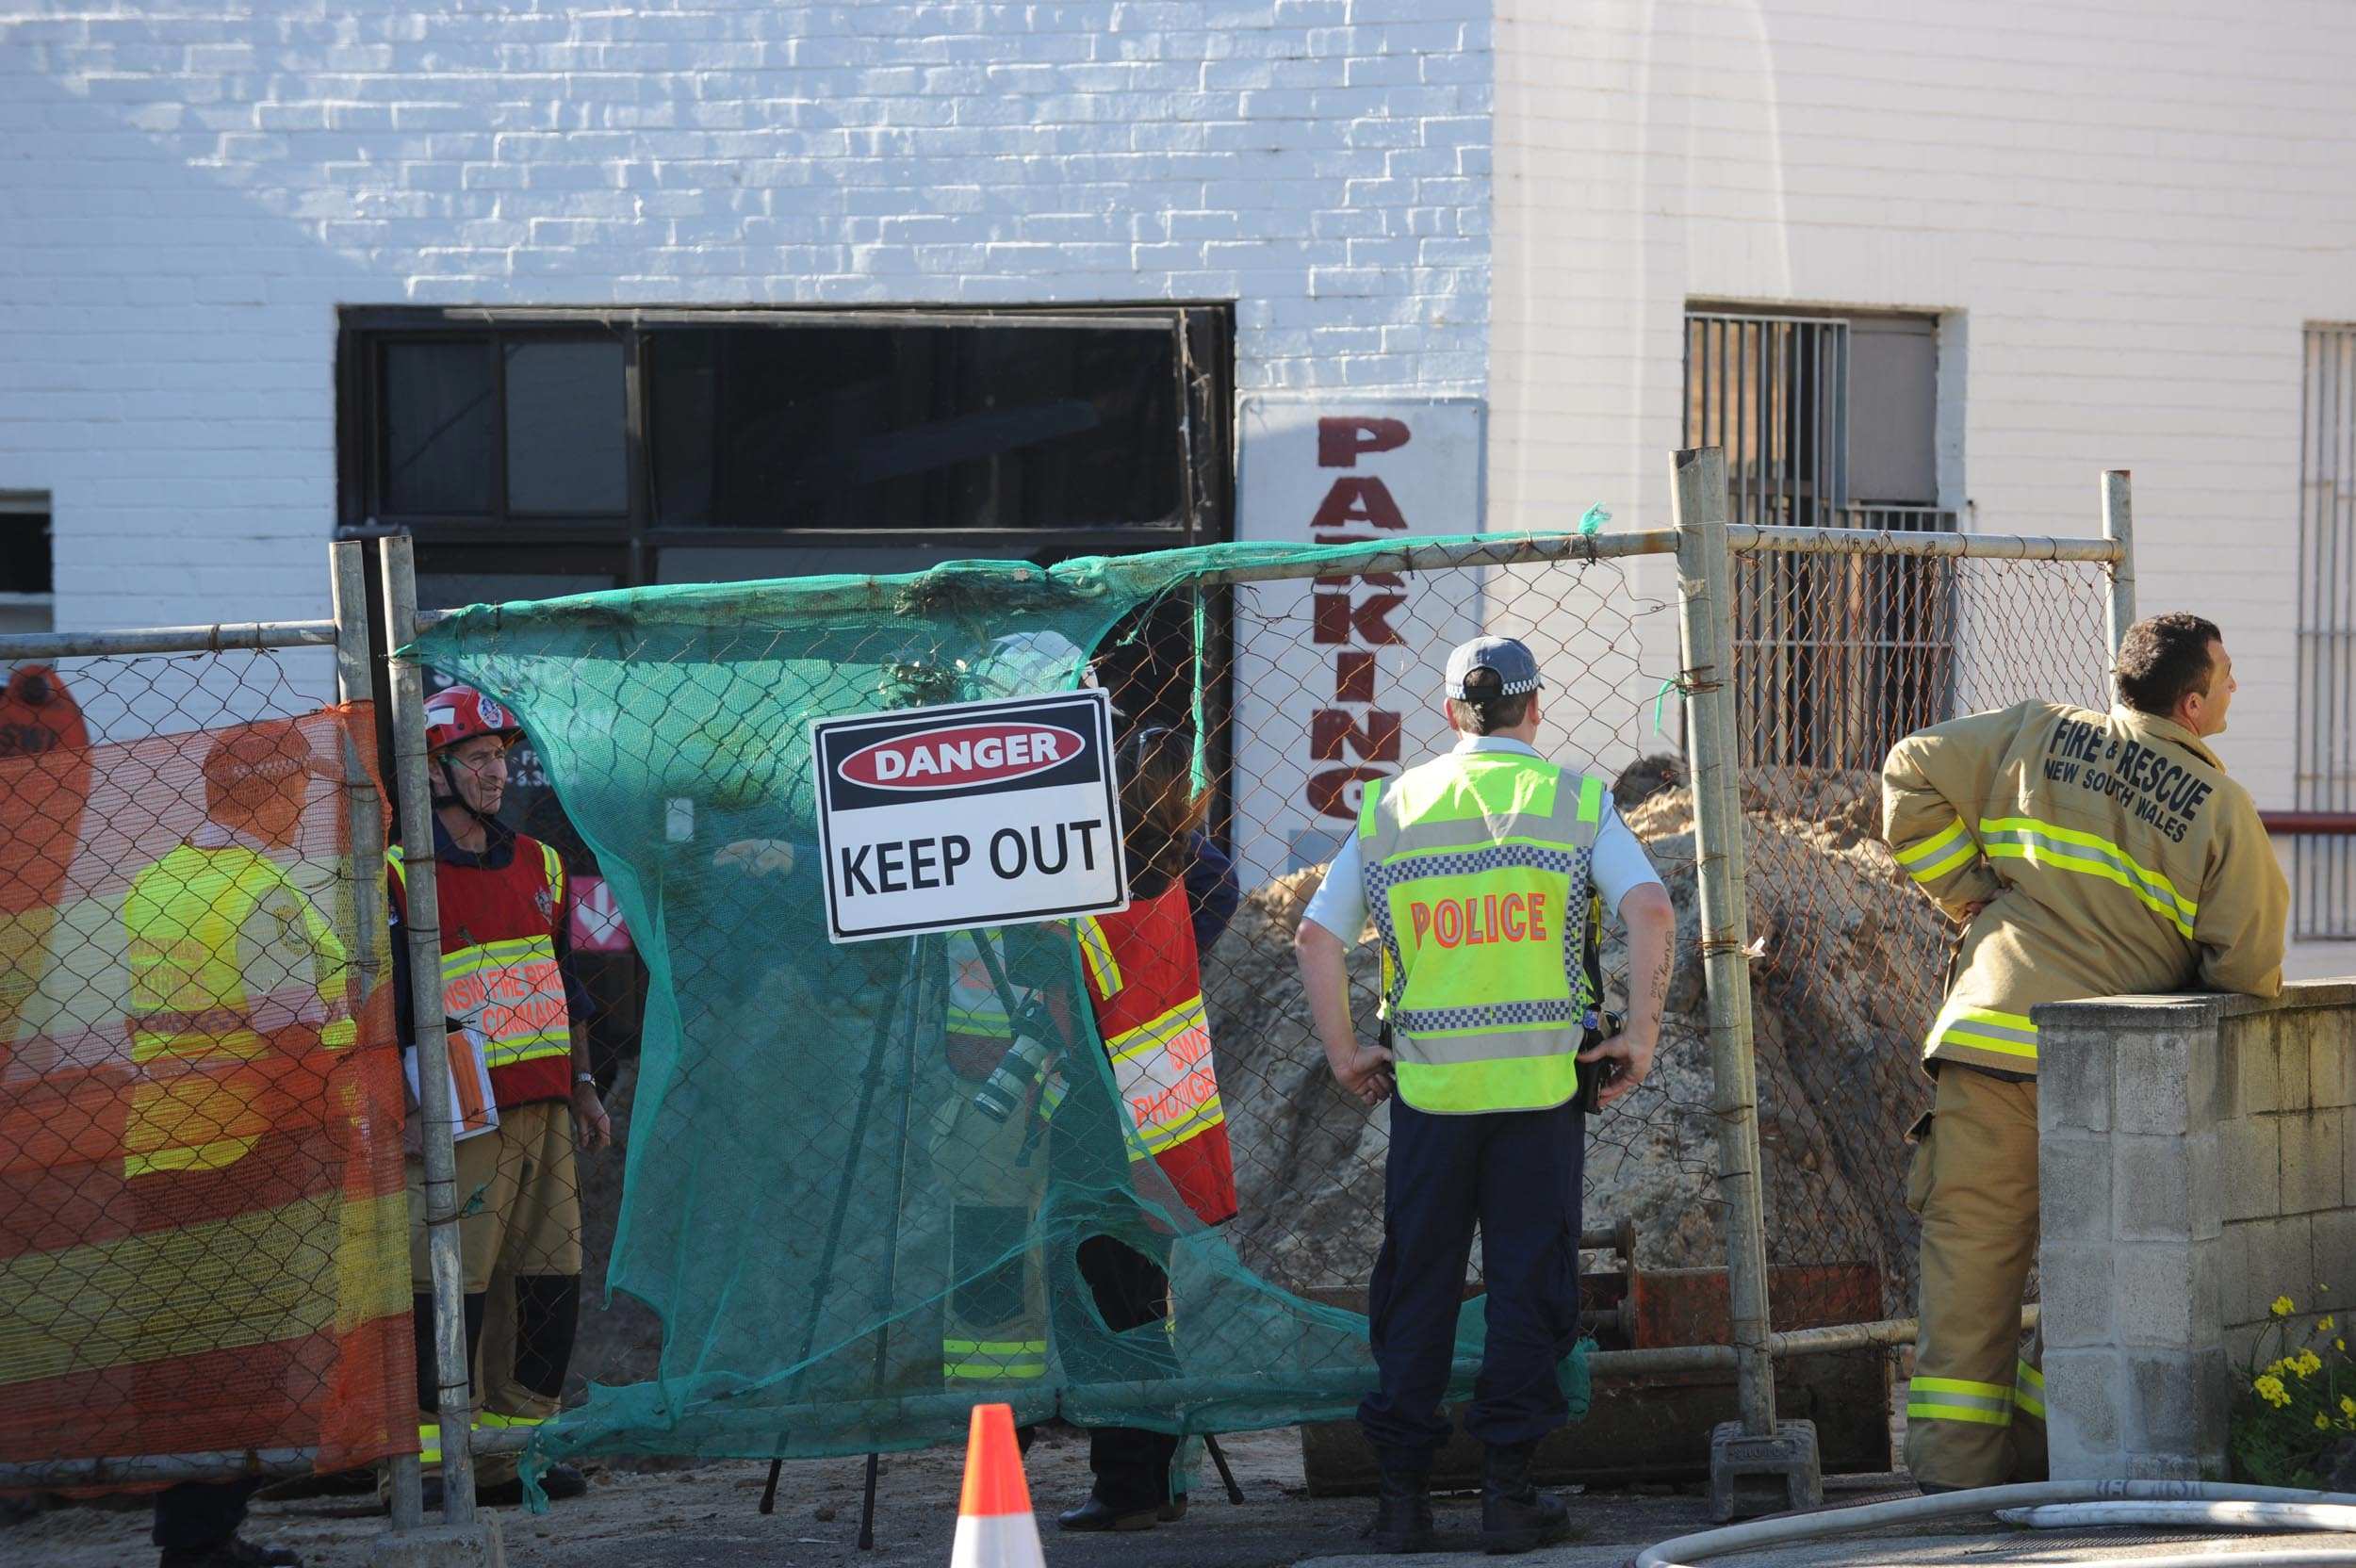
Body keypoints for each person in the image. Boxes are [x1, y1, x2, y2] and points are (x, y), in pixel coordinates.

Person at [1881, 612, 2288, 1492]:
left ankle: (1953, 1482)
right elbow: (2249, 969)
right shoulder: (2220, 808)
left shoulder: (2035, 732)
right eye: (2227, 674)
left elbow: (1909, 769)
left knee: (1970, 1273)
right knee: (2099, 1277)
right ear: (2191, 702)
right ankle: (2040, 1460)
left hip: (1987, 1047)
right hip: (2109, 1080)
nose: (2235, 687)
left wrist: (1973, 896)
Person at [1293, 635, 1675, 1556]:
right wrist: (1641, 1034)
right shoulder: (1576, 801)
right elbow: (1651, 908)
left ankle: (1400, 1502)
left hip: (1427, 1092)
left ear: (1450, 710)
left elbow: (1315, 935)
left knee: (1417, 1281)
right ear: (1533, 707)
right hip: (1544, 1087)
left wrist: (1347, 1051)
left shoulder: (1394, 806)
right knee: (1526, 1285)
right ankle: (1508, 1494)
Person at [129, 721, 353, 1568]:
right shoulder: (261, 894)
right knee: (241, 1346)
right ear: (272, 791)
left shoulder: (154, 882)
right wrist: (323, 1141)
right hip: (246, 1146)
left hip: (158, 1140)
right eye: (300, 785)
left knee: (182, 1346)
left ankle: (186, 1529)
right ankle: (205, 1538)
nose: (306, 803)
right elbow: (293, 1044)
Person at [387, 684, 613, 1507]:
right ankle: (428, 1469)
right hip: (457, 1119)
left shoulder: (540, 862)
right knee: (450, 1287)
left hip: (548, 1105)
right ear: (434, 770)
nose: (497, 773)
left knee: (548, 1282)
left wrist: (585, 1086)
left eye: (499, 757)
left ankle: (516, 1453)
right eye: (478, 758)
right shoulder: (395, 875)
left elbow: (568, 986)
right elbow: (374, 1010)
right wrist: (405, 1112)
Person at [1052, 724, 1241, 1532]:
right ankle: (1159, 1477)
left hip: (1096, 1113)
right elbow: (1222, 882)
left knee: (1109, 1303)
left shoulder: (1082, 886)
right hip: (1165, 1111)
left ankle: (1129, 1486)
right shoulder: (1184, 872)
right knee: (1142, 1296)